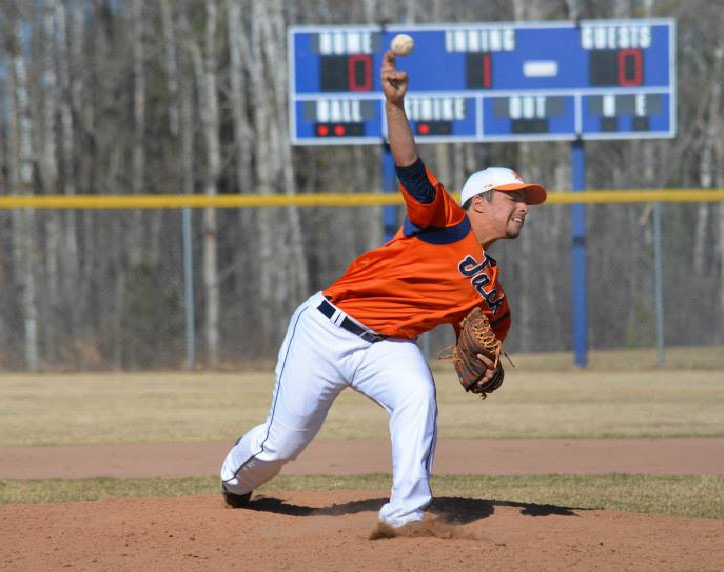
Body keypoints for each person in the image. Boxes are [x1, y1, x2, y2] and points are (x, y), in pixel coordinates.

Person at [219, 50, 547, 529]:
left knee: (418, 395)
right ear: (478, 203)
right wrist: (395, 105)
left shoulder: (491, 293)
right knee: (280, 445)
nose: (523, 206)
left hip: (389, 347)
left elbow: (484, 347)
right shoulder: (443, 218)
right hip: (327, 328)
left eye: (526, 200)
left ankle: (405, 513)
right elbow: (409, 164)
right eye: (514, 197)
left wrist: (482, 366)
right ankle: (234, 479)